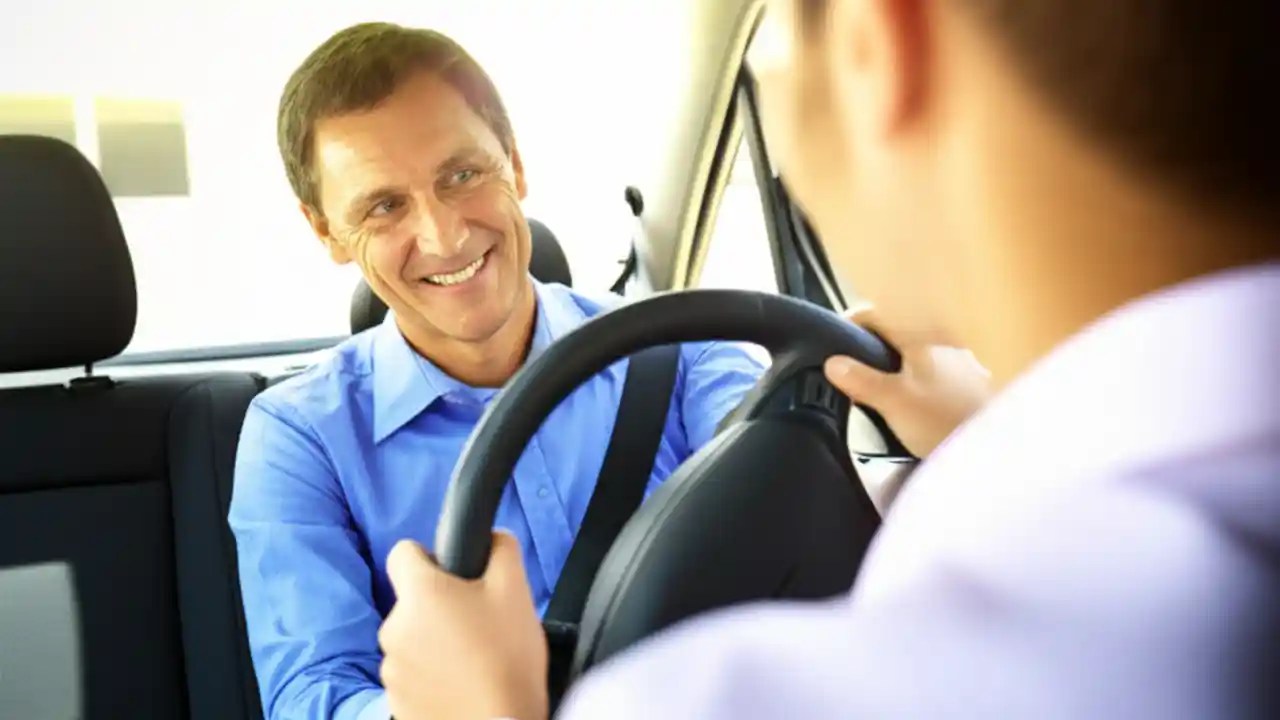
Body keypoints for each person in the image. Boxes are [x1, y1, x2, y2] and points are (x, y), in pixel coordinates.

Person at [374, 0, 1280, 718]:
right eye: (383, 205)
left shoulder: (725, 701)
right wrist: (995, 433)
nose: (442, 231)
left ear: (873, 39)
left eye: (768, 48)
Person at [227, 22, 767, 720]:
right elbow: (314, 695)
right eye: (384, 206)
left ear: (514, 164)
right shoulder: (301, 438)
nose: (444, 236)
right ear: (326, 230)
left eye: (462, 174)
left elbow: (793, 492)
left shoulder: (687, 349)